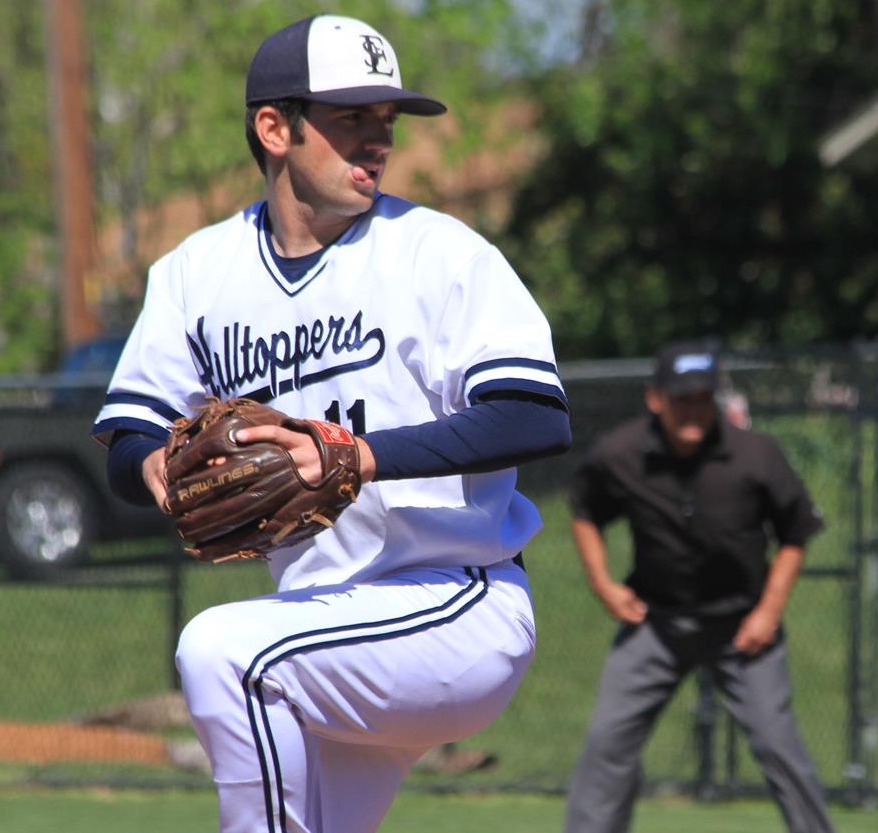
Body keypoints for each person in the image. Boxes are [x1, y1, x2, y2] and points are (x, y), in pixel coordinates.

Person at [91, 14, 570, 833]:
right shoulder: (196, 275)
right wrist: (153, 468)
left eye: (385, 121)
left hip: (455, 600)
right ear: (275, 128)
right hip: (318, 621)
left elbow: (535, 417)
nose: (376, 140)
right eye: (351, 118)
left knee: (222, 650)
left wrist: (353, 455)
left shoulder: (438, 254)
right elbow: (130, 429)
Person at [564, 341, 835, 833]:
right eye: (682, 398)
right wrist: (603, 584)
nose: (694, 409)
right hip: (656, 623)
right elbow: (584, 511)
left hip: (741, 625)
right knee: (608, 742)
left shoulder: (755, 454)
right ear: (655, 398)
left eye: (703, 398)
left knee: (778, 745)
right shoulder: (622, 454)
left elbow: (796, 533)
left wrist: (768, 614)